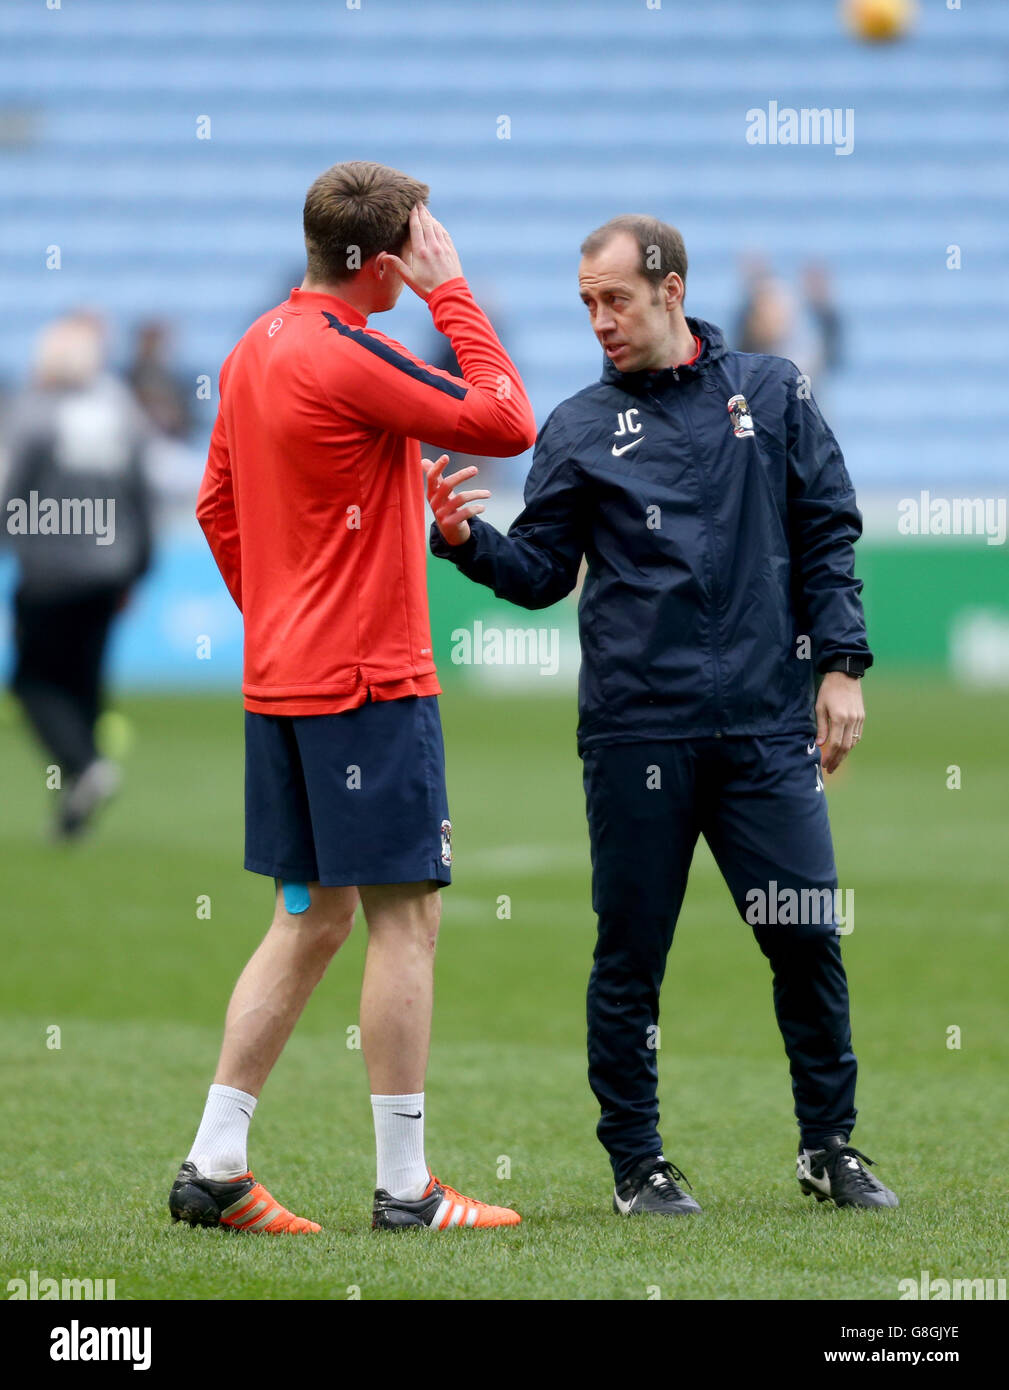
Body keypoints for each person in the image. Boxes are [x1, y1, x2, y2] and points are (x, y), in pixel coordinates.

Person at [427, 213, 898, 1216]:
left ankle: (829, 1145)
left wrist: (842, 666)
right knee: (632, 950)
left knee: (806, 931)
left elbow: (826, 530)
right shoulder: (578, 426)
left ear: (671, 290)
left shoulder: (770, 393)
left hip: (767, 725)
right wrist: (467, 541)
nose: (598, 319)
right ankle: (637, 1163)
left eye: (616, 299)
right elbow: (543, 571)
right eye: (585, 303)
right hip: (638, 730)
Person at [171, 161, 536, 1235]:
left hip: (284, 681)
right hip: (369, 683)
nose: (425, 253)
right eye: (415, 245)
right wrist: (452, 291)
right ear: (382, 263)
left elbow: (216, 505)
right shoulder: (353, 350)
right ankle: (406, 1189)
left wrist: (288, 609)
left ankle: (216, 1164)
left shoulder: (253, 348)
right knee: (406, 917)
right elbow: (505, 418)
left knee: (309, 913)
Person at [3, 312, 153, 839]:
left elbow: (9, 489)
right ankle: (77, 802)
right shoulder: (117, 407)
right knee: (85, 682)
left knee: (33, 682)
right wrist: (140, 563)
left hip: (48, 571)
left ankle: (84, 766)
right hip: (108, 570)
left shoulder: (34, 411)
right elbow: (142, 490)